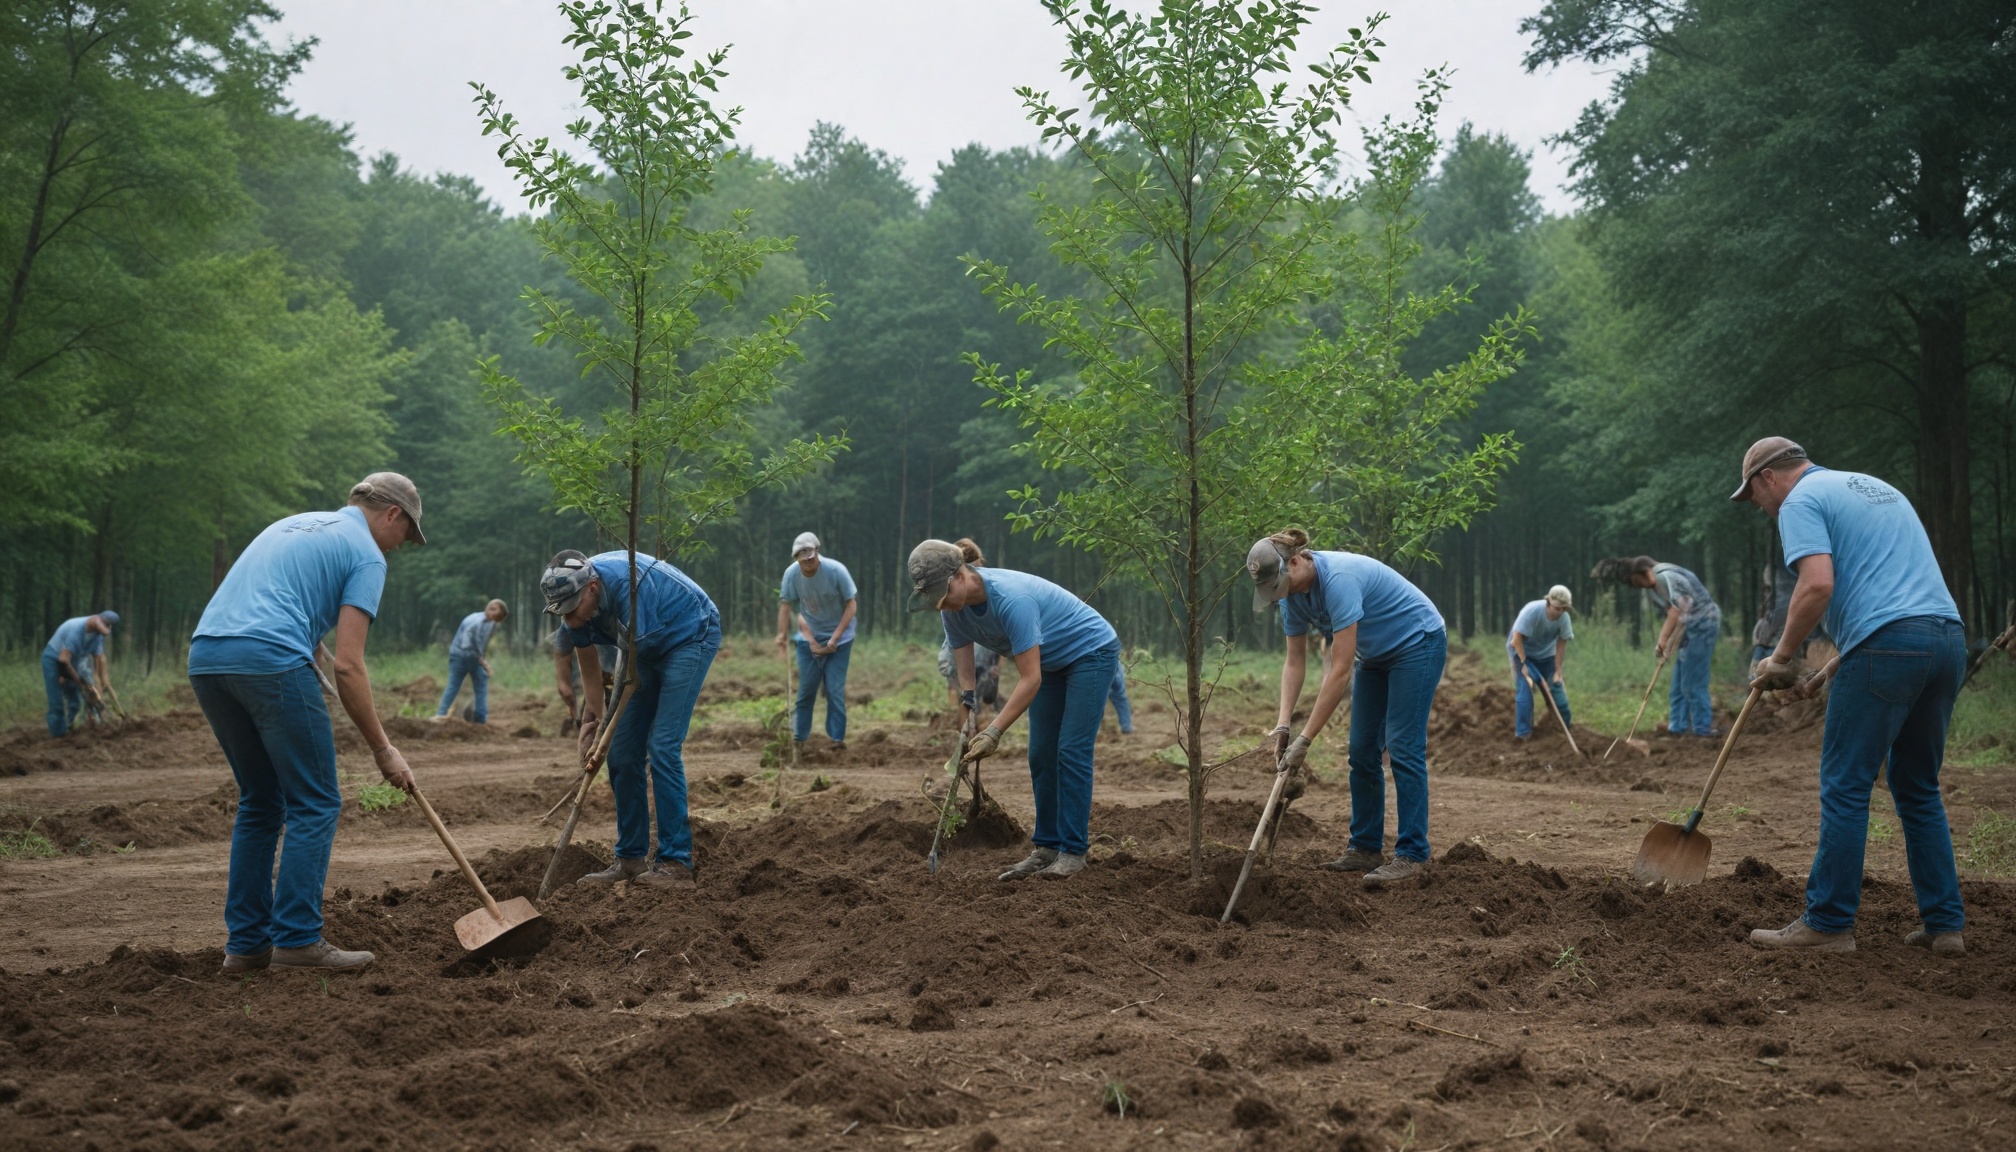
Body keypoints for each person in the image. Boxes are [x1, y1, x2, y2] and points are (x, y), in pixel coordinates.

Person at [1732, 437, 1968, 954]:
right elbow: (1898, 598)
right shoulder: (1875, 489)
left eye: (1753, 496)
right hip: (1945, 641)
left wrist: (1782, 657)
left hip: (1889, 647)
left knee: (1845, 783)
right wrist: (1825, 673)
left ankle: (1829, 923)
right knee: (1917, 785)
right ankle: (1946, 925)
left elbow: (1817, 586)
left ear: (1768, 477)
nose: (1758, 508)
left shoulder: (1799, 502)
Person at [189, 473, 424, 972]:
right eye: (406, 534)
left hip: (208, 657)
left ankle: (248, 945)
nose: (401, 546)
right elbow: (348, 664)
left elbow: (278, 602)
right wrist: (384, 749)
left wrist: (306, 646)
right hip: (270, 659)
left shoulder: (297, 525)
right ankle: (296, 940)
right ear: (392, 515)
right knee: (315, 800)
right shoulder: (366, 554)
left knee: (261, 799)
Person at [912, 537, 1119, 881]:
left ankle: (1073, 851)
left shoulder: (1012, 600)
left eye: (942, 595)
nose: (940, 605)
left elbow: (1029, 678)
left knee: (1070, 749)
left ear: (960, 576)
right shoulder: (951, 608)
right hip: (1050, 663)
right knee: (1040, 754)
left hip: (1089, 653)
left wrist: (994, 731)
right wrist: (969, 708)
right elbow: (964, 663)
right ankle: (1047, 847)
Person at [1250, 529, 1448, 888]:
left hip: (1418, 642)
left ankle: (1413, 853)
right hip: (1375, 656)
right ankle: (1366, 847)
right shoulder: (1290, 597)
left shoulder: (1339, 580)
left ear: (1295, 561)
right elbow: (1294, 662)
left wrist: (1305, 740)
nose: (1281, 593)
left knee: (1402, 746)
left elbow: (1339, 670)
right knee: (1360, 751)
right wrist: (1282, 726)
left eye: (1281, 582)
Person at [543, 547, 720, 888]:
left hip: (689, 635)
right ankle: (630, 859)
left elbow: (632, 676)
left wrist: (608, 725)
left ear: (592, 588)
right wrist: (592, 723)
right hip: (644, 647)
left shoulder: (632, 591)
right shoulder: (575, 608)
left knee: (663, 745)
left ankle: (676, 863)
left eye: (570, 610)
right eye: (560, 613)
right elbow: (590, 667)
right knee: (622, 754)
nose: (567, 619)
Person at [774, 532, 858, 752]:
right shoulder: (791, 575)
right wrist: (782, 636)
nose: (808, 563)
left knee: (834, 690)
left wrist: (836, 637)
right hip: (807, 638)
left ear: (817, 552)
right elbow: (787, 606)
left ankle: (836, 742)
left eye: (811, 558)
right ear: (797, 559)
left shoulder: (836, 571)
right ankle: (799, 740)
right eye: (803, 560)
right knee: (806, 691)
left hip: (841, 637)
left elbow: (851, 604)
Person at [1624, 555, 1723, 737]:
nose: (1641, 588)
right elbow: (1679, 617)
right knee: (1678, 683)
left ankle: (1703, 728)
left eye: (1640, 582)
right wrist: (1670, 647)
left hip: (1703, 625)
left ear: (1646, 572)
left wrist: (1663, 641)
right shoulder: (1655, 587)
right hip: (1688, 627)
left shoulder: (1668, 577)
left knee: (1693, 681)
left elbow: (1676, 611)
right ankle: (1677, 727)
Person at [1507, 586, 1574, 740]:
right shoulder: (1532, 612)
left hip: (1546, 656)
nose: (1561, 612)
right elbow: (1516, 640)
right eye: (1558, 608)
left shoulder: (1564, 619)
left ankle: (1566, 729)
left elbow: (1561, 644)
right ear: (1548, 602)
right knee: (1526, 691)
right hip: (1521, 652)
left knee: (1556, 691)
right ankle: (1523, 734)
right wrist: (1523, 665)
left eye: (1565, 608)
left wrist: (1558, 670)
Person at [42, 610, 119, 736]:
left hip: (74, 659)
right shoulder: (77, 630)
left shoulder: (97, 635)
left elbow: (99, 659)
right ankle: (58, 736)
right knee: (56, 702)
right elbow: (63, 660)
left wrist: (101, 685)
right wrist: (76, 679)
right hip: (53, 658)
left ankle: (73, 728)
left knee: (76, 700)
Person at [435, 599, 507, 724]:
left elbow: (481, 644)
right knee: (454, 685)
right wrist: (483, 662)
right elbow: (467, 644)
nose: (491, 609)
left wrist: (482, 660)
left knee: (481, 684)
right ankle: (440, 715)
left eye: (496, 610)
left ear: (499, 617)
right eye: (492, 607)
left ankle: (480, 720)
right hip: (460, 656)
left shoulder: (490, 623)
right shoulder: (474, 622)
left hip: (474, 657)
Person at [547, 620, 619, 736]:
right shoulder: (572, 624)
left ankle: (589, 720)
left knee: (603, 685)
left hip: (607, 660)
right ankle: (580, 719)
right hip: (592, 655)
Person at [1106, 660, 1134, 735]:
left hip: (1090, 663)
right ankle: (1126, 726)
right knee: (1120, 697)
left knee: (1093, 699)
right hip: (1112, 662)